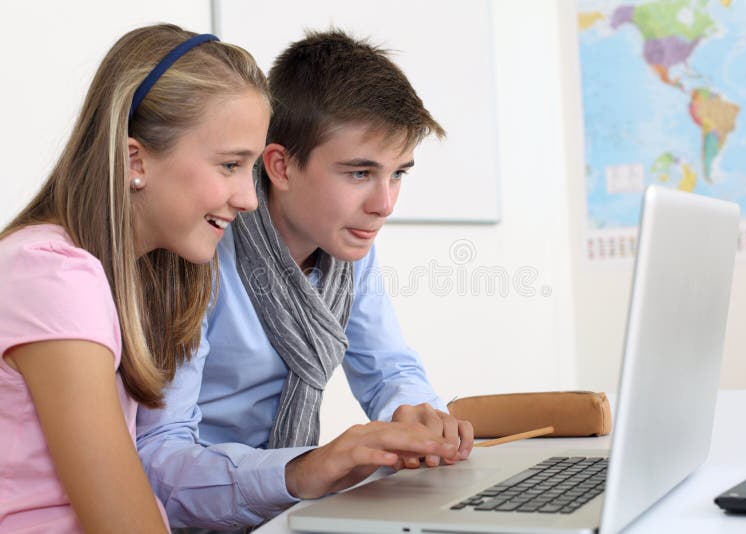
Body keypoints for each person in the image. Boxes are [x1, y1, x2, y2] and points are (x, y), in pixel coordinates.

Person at [137, 30, 473, 530]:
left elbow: (388, 369)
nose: (385, 204)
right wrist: (303, 471)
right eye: (360, 173)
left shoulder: (347, 248)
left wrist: (417, 417)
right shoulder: (197, 249)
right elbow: (158, 460)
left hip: (285, 508)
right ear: (281, 166)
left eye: (398, 173)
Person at [0, 24, 271, 533]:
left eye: (250, 169)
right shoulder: (54, 276)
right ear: (134, 159)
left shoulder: (117, 276)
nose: (248, 198)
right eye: (230, 164)